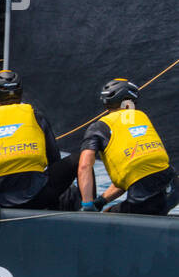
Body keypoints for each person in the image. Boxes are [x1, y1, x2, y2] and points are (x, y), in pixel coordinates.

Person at [0, 69, 78, 209]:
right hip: (41, 197)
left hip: (3, 202)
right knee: (82, 159)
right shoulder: (36, 117)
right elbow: (54, 160)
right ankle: (89, 213)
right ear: (20, 94)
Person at [74, 78, 179, 215]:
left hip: (145, 200)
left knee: (107, 215)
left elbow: (84, 166)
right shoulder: (142, 116)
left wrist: (88, 204)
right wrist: (101, 201)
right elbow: (135, 176)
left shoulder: (98, 127)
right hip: (174, 188)